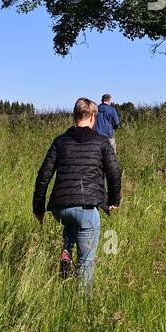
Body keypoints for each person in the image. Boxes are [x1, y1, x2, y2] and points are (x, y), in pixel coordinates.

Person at [33, 97, 122, 290]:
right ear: (93, 117)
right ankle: (82, 307)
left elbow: (43, 176)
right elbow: (115, 172)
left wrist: (38, 208)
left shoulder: (60, 141)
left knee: (72, 222)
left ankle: (67, 251)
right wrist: (114, 200)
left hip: (60, 208)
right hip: (87, 208)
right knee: (86, 262)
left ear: (75, 116)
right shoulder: (102, 142)